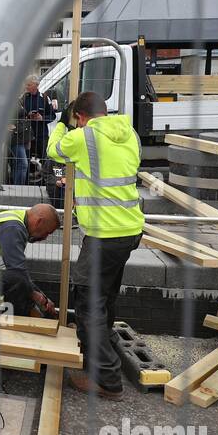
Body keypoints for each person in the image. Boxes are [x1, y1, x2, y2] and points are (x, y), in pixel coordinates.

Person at [48, 91, 144, 401]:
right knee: (105, 297)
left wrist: (63, 124)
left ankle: (106, 378)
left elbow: (54, 151)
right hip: (130, 230)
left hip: (104, 233)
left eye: (75, 118)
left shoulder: (83, 137)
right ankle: (105, 354)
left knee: (89, 301)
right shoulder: (128, 133)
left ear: (80, 117)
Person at [0, 204, 60, 320]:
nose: (45, 237)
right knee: (18, 282)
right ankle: (18, 323)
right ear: (39, 222)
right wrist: (35, 295)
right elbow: (18, 272)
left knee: (21, 281)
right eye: (47, 232)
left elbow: (19, 271)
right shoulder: (13, 228)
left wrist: (42, 297)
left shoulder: (15, 221)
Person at [21, 77, 57, 172]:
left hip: (42, 135)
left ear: (36, 85)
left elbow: (52, 116)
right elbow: (18, 115)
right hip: (27, 135)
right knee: (27, 160)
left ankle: (44, 182)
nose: (26, 87)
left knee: (44, 160)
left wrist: (42, 118)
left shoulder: (44, 98)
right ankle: (27, 182)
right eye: (26, 84)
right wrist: (28, 116)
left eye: (29, 85)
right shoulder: (23, 98)